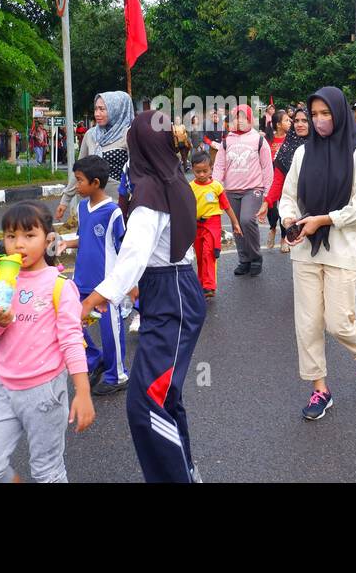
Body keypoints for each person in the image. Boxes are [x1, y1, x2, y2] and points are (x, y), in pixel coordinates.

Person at [79, 111, 206, 483]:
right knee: (164, 395)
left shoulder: (149, 194)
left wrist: (94, 299)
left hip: (172, 298)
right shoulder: (172, 180)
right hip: (173, 292)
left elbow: (133, 255)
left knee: (146, 402)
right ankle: (185, 471)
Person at [0, 201, 94, 482]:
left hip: (44, 394)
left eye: (29, 235)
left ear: (48, 239)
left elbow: (72, 341)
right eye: (11, 236)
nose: (19, 244)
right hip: (4, 389)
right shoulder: (4, 283)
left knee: (47, 472)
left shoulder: (60, 286)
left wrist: (83, 391)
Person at [279, 86, 356, 420]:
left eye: (327, 113)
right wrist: (289, 218)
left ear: (339, 114)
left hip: (343, 246)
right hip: (305, 248)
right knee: (307, 324)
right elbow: (288, 195)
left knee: (338, 322)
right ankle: (320, 389)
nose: (320, 120)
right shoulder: (302, 153)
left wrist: (325, 219)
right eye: (315, 114)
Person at [60, 156, 129, 396]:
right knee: (70, 323)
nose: (76, 185)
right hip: (81, 281)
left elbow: (124, 250)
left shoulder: (113, 212)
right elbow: (85, 238)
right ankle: (93, 358)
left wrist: (129, 285)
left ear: (95, 182)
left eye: (79, 181)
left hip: (106, 286)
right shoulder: (81, 207)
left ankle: (117, 375)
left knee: (111, 332)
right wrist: (66, 243)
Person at [212, 104, 273, 277]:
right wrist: (215, 187)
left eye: (244, 117)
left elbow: (267, 168)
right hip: (231, 190)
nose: (240, 121)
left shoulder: (258, 140)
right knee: (236, 225)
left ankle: (255, 257)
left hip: (253, 188)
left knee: (247, 220)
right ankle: (244, 260)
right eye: (237, 117)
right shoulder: (227, 140)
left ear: (250, 119)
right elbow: (219, 166)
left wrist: (267, 195)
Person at [56, 91, 133, 221]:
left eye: (102, 109)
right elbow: (79, 171)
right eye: (96, 109)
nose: (97, 114)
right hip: (95, 206)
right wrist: (64, 201)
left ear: (116, 110)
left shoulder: (128, 135)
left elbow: (137, 172)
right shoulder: (91, 135)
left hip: (120, 208)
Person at [189, 151, 241, 299]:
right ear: (192, 169)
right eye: (197, 171)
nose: (201, 174)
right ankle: (202, 283)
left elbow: (227, 206)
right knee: (199, 255)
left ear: (211, 169)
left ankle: (209, 285)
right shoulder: (190, 187)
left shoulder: (217, 187)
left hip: (212, 224)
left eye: (205, 171)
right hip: (196, 225)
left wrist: (235, 223)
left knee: (209, 253)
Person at [260, 107, 310, 255]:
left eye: (305, 120)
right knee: (301, 255)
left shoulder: (323, 146)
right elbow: (278, 180)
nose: (299, 124)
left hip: (320, 211)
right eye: (296, 121)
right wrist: (266, 202)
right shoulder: (287, 147)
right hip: (295, 205)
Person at [263, 110, 290, 249]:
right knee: (271, 208)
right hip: (270, 180)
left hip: (285, 179)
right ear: (278, 125)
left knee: (284, 208)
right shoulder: (268, 139)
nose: (290, 122)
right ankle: (272, 228)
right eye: (286, 120)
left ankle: (284, 238)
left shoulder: (291, 139)